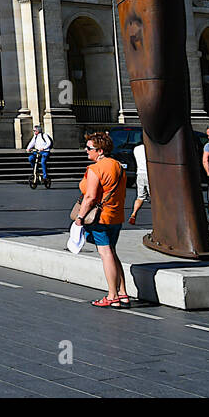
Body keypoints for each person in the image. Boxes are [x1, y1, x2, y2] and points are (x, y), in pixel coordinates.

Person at [74, 131, 129, 307]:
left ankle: (112, 296)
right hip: (116, 215)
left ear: (100, 151)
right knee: (112, 252)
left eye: (89, 148)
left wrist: (80, 217)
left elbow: (90, 197)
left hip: (100, 218)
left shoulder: (95, 169)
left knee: (105, 254)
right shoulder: (117, 166)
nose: (86, 150)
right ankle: (123, 293)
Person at [127, 140, 150, 226]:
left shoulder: (136, 149)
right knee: (155, 198)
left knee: (140, 197)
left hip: (140, 174)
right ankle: (159, 218)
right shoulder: (149, 148)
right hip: (149, 174)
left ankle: (133, 214)